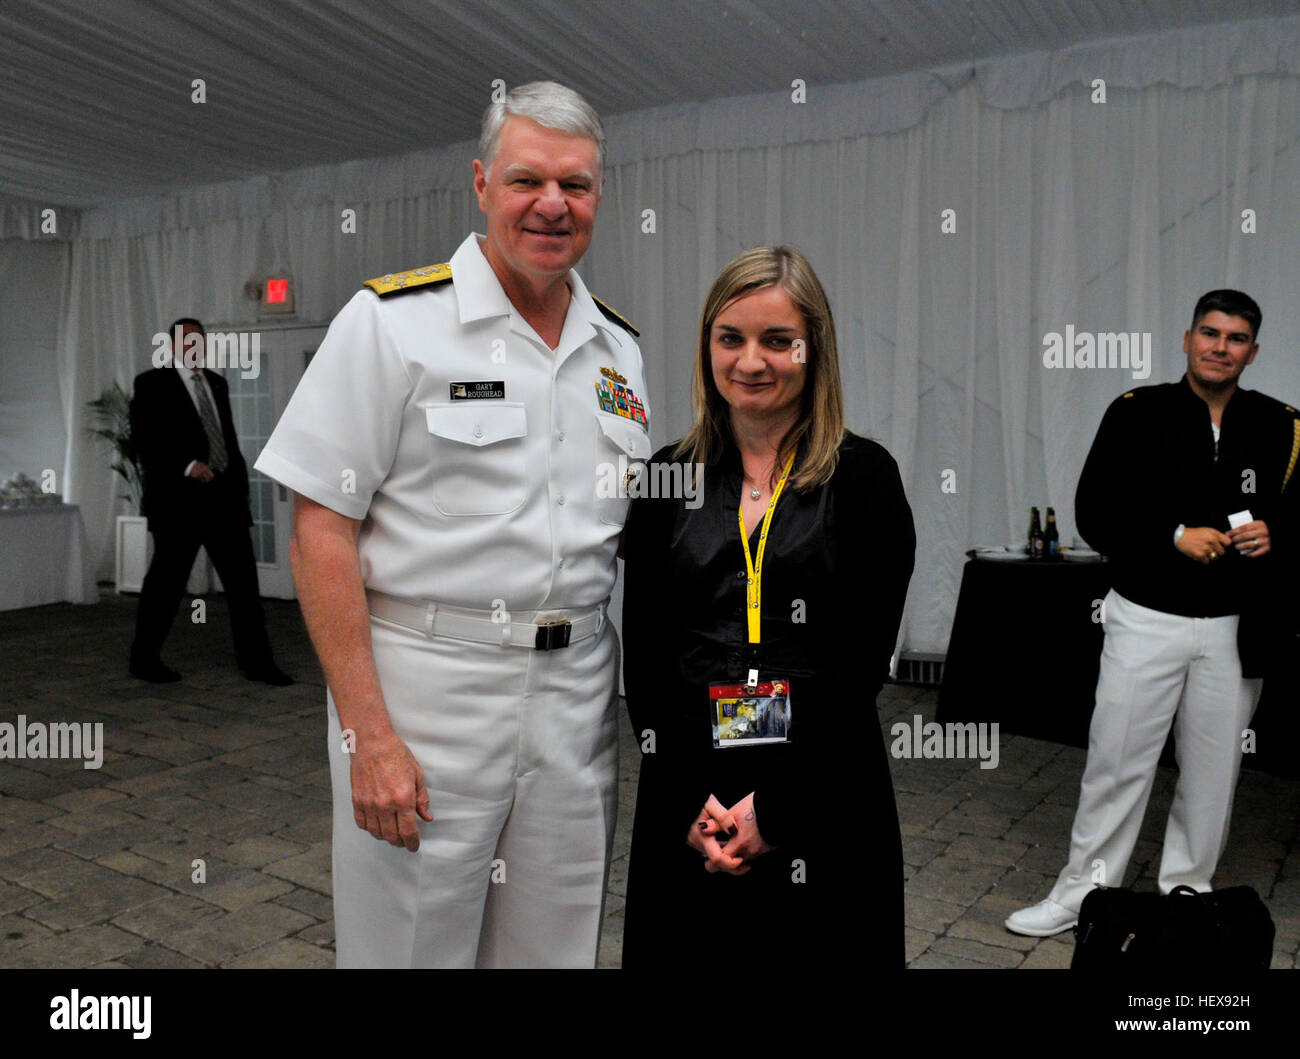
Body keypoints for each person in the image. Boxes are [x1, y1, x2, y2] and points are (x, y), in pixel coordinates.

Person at [253, 82, 648, 968]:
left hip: (577, 699)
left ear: (599, 195)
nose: (553, 204)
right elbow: (320, 525)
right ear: (480, 183)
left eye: (577, 185)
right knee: (410, 948)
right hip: (426, 694)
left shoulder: (618, 349)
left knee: (555, 949)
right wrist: (368, 734)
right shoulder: (394, 325)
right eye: (527, 180)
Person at [621, 246, 913, 968]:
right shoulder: (666, 475)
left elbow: (861, 667)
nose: (751, 361)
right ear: (707, 347)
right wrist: (690, 802)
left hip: (825, 783)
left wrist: (774, 813)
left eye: (777, 340)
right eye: (732, 338)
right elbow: (648, 657)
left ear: (814, 350)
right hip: (692, 786)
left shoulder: (866, 478)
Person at [1007, 289, 1299, 937]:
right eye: (1210, 333)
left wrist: (1276, 532)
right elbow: (1095, 511)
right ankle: (1084, 893)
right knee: (1118, 761)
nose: (1221, 346)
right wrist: (1173, 534)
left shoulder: (1283, 423)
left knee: (1215, 768)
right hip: (1145, 615)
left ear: (1254, 350)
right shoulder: (1137, 411)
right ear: (1188, 338)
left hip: (1237, 628)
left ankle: (1187, 889)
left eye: (1236, 337)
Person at [128, 318, 291, 685]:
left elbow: (227, 439)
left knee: (244, 585)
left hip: (224, 500)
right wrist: (185, 465)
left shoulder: (216, 383)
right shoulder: (152, 383)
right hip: (177, 503)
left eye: (199, 343)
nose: (194, 349)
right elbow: (144, 439)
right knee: (166, 586)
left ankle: (257, 663)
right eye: (187, 343)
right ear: (171, 347)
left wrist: (240, 481)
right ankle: (144, 659)